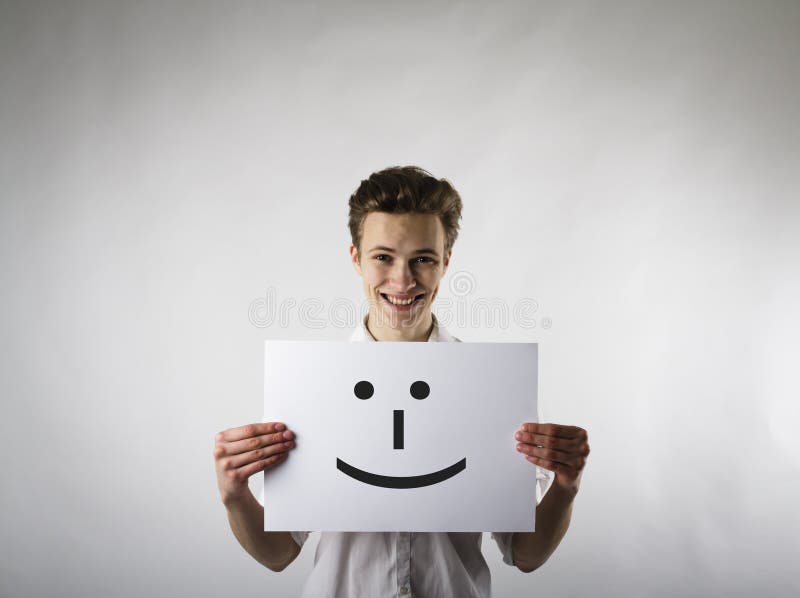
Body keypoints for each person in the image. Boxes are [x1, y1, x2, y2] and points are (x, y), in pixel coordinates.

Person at [213, 166, 590, 597]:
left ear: (446, 262)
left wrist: (565, 487)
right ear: (356, 258)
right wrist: (234, 493)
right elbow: (278, 554)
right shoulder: (311, 385)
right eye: (383, 257)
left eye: (423, 259)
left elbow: (525, 554)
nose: (403, 280)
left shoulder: (492, 387)